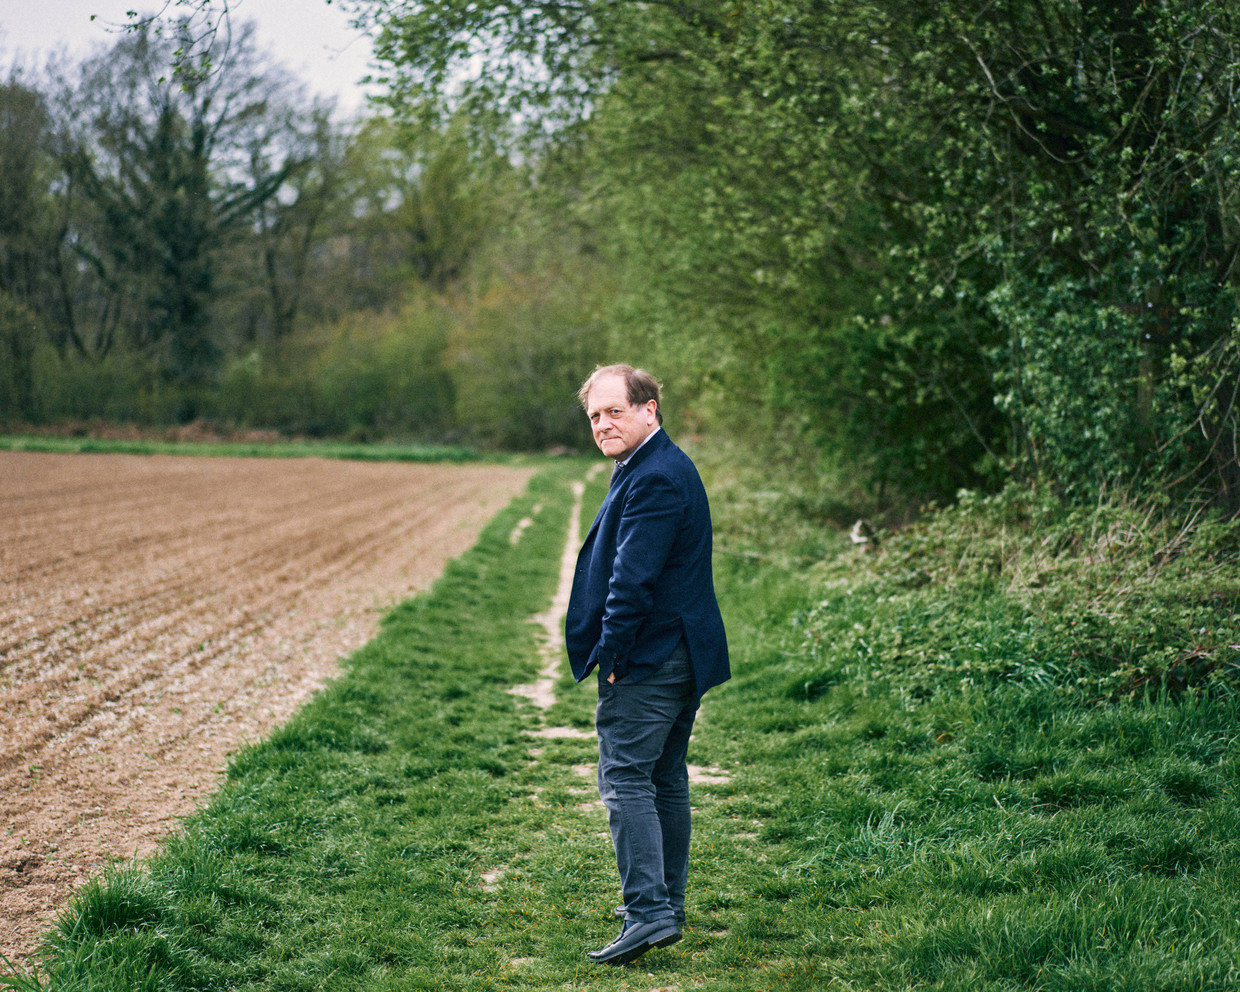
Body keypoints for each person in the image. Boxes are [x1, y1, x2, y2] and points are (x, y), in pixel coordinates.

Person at [565, 363, 730, 966]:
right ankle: (666, 904)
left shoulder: (656, 476)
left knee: (626, 778)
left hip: (652, 655)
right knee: (663, 778)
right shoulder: (649, 465)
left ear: (649, 410)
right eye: (594, 417)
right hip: (680, 651)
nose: (603, 424)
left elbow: (630, 582)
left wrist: (611, 655)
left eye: (614, 411)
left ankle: (648, 912)